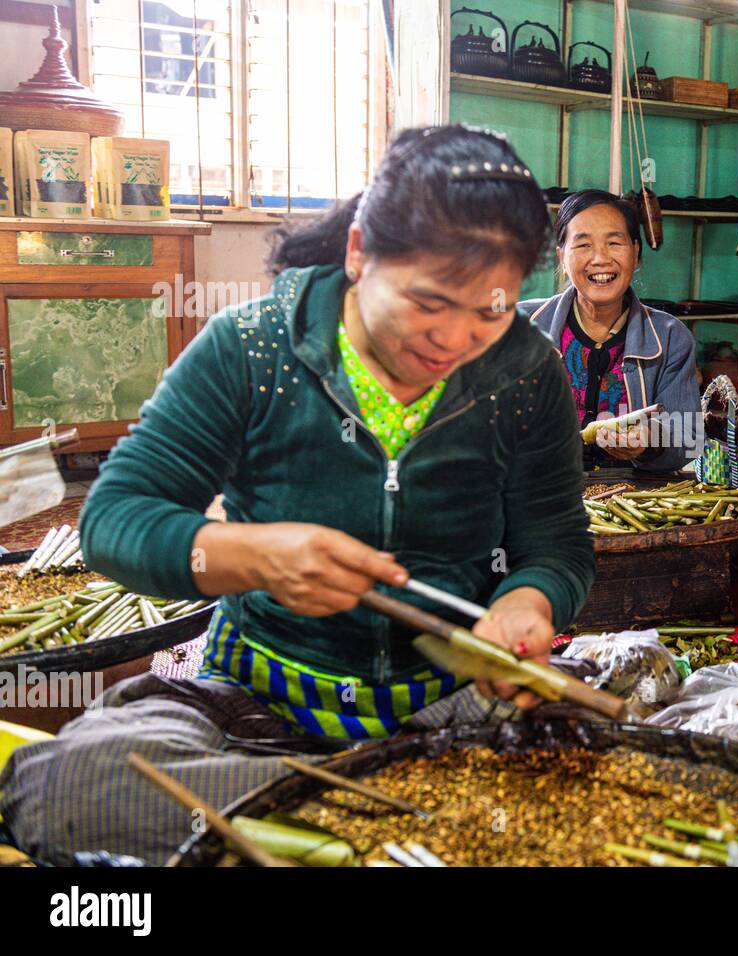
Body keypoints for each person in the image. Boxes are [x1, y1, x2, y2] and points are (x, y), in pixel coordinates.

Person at [0, 125, 595, 864]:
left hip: (449, 705)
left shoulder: (524, 373)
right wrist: (254, 556)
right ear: (357, 253)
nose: (455, 339)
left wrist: (525, 605)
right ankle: (403, 824)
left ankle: (315, 829)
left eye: (491, 310)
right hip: (256, 706)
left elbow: (558, 544)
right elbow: (116, 519)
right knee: (66, 789)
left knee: (608, 767)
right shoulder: (253, 348)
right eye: (429, 302)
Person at [523, 189, 700, 472]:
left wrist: (649, 444)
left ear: (636, 253)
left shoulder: (670, 337)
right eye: (583, 245)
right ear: (562, 259)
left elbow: (689, 440)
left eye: (614, 243)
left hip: (633, 505)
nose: (600, 259)